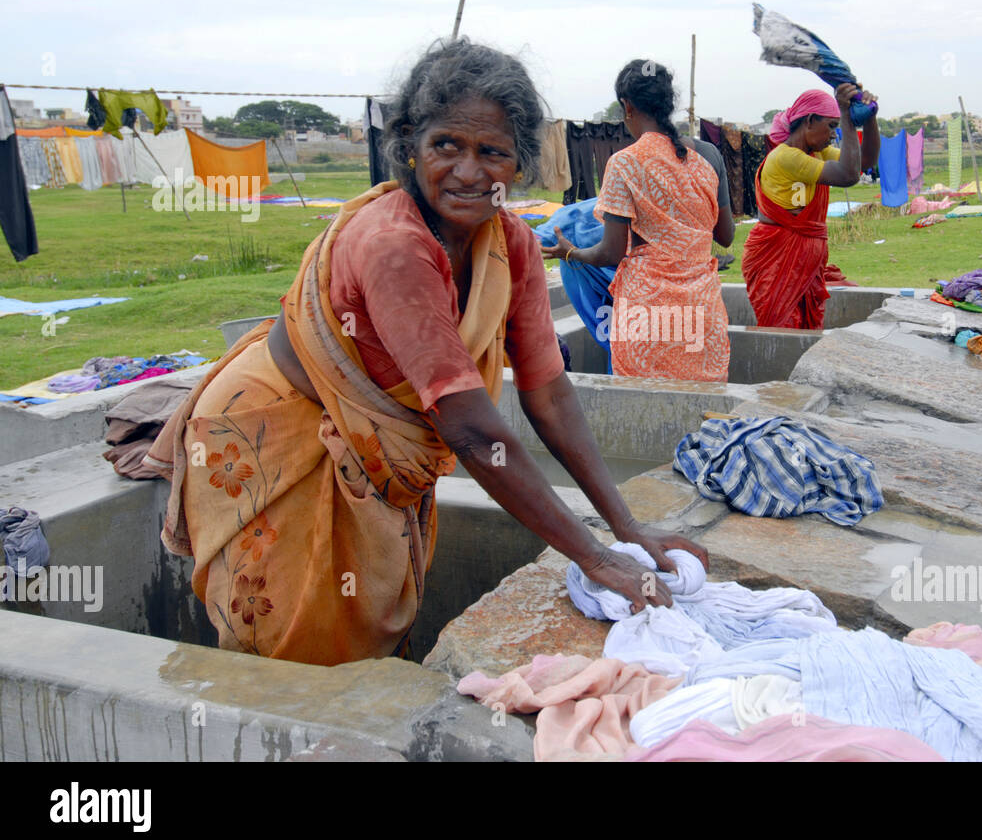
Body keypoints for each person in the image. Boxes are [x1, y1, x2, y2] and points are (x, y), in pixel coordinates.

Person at [145, 39, 707, 666]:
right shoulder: (395, 246)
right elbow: (469, 428)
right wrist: (598, 559)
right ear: (409, 143)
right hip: (282, 436)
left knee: (372, 623)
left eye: (491, 152)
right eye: (447, 146)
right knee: (295, 650)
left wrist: (627, 530)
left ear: (518, 164)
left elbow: (546, 392)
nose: (469, 172)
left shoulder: (513, 244)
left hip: (377, 450)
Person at [541, 60, 732, 382]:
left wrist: (570, 253)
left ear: (627, 107)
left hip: (646, 309)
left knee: (643, 401)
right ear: (669, 103)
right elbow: (725, 235)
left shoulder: (625, 163)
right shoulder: (709, 156)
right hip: (701, 304)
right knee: (699, 399)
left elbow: (610, 254)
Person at [742, 84, 880, 329]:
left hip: (805, 262)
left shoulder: (818, 153)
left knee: (803, 335)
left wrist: (870, 119)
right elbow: (849, 175)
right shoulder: (787, 157)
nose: (833, 134)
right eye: (831, 126)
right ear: (808, 122)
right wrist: (847, 115)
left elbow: (865, 162)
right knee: (782, 336)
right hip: (776, 259)